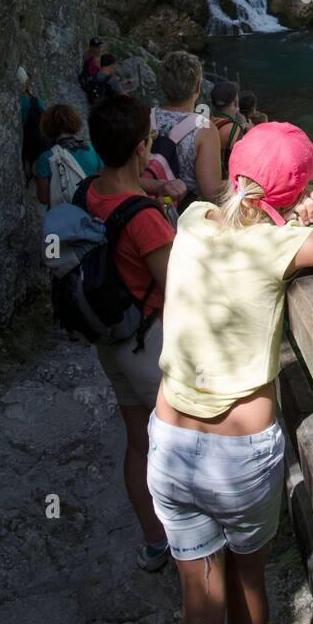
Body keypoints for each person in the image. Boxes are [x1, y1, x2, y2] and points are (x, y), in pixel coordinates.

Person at [147, 121, 313, 624]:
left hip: (172, 443)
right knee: (249, 583)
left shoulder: (192, 219)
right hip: (238, 455)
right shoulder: (282, 247)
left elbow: (230, 215)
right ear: (293, 194)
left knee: (199, 605)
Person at [85, 94, 177, 571]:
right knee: (179, 441)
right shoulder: (145, 220)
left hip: (109, 341)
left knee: (138, 441)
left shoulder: (86, 192)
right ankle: (194, 546)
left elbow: (120, 186)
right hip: (151, 345)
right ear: (143, 147)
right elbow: (178, 288)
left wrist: (156, 190)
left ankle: (153, 540)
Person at [150, 51, 222, 207]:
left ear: (162, 85)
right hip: (182, 215)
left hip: (148, 206)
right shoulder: (205, 129)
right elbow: (211, 192)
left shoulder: (146, 117)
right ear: (197, 87)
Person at [33, 104, 103, 207]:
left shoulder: (45, 158)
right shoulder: (93, 148)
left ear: (48, 127)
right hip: (90, 211)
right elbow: (102, 181)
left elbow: (43, 198)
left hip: (62, 216)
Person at [210, 78, 248, 171]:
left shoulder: (205, 121)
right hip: (223, 180)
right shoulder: (233, 129)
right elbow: (243, 162)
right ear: (236, 103)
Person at [19, 67, 48, 183]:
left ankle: (26, 173)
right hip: (37, 138)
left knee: (26, 156)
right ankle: (33, 171)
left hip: (24, 139)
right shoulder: (36, 101)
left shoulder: (17, 102)